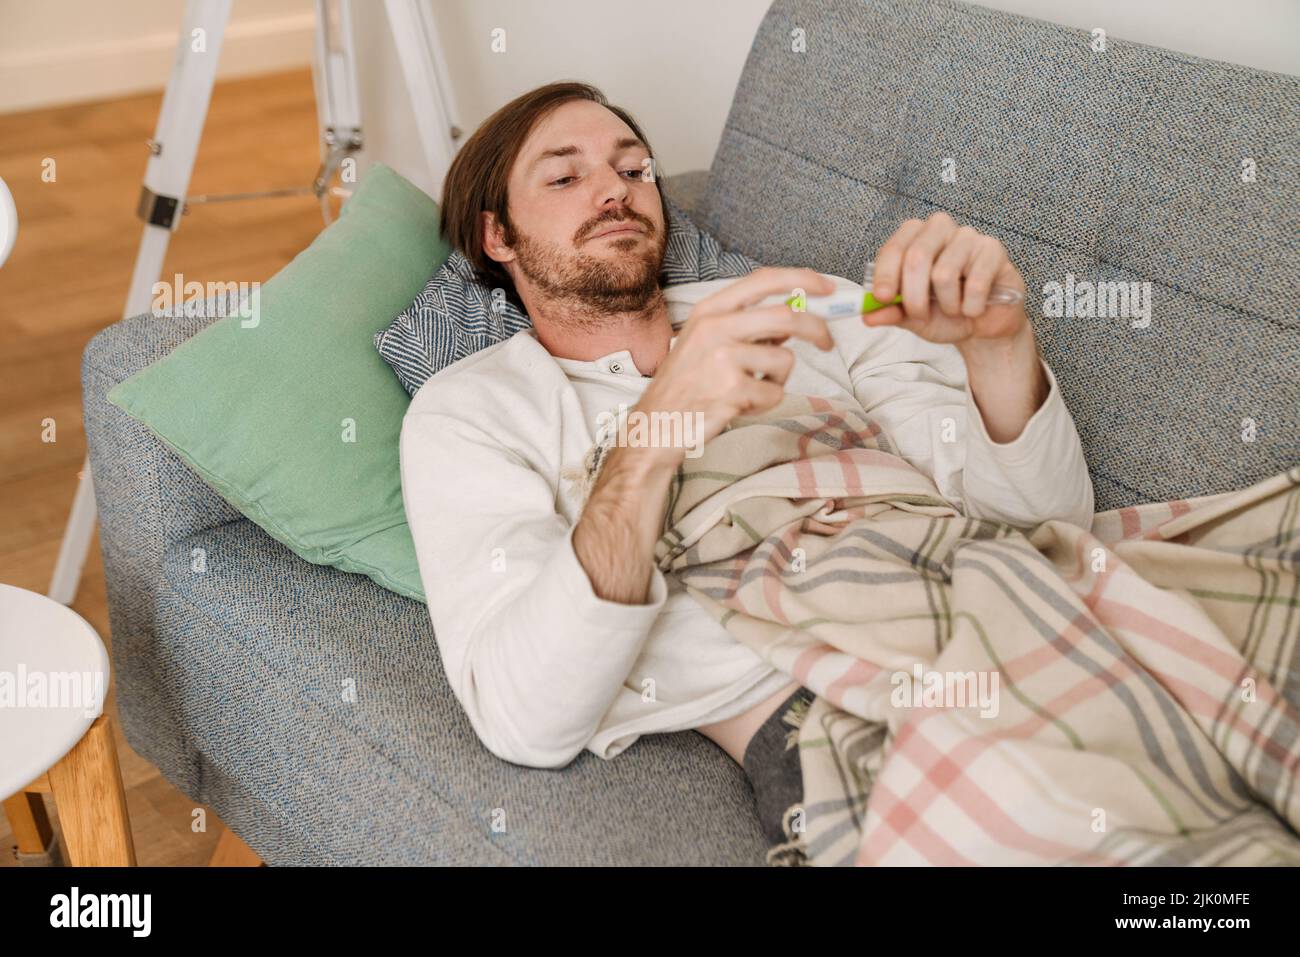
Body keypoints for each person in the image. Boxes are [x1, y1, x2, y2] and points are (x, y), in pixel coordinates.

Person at [398, 82, 1094, 851]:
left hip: (1004, 596)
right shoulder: (470, 410)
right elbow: (526, 716)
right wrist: (658, 429)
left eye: (635, 170)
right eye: (565, 178)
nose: (614, 192)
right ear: (497, 236)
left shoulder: (800, 307)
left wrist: (999, 348)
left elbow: (1046, 526)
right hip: (841, 709)